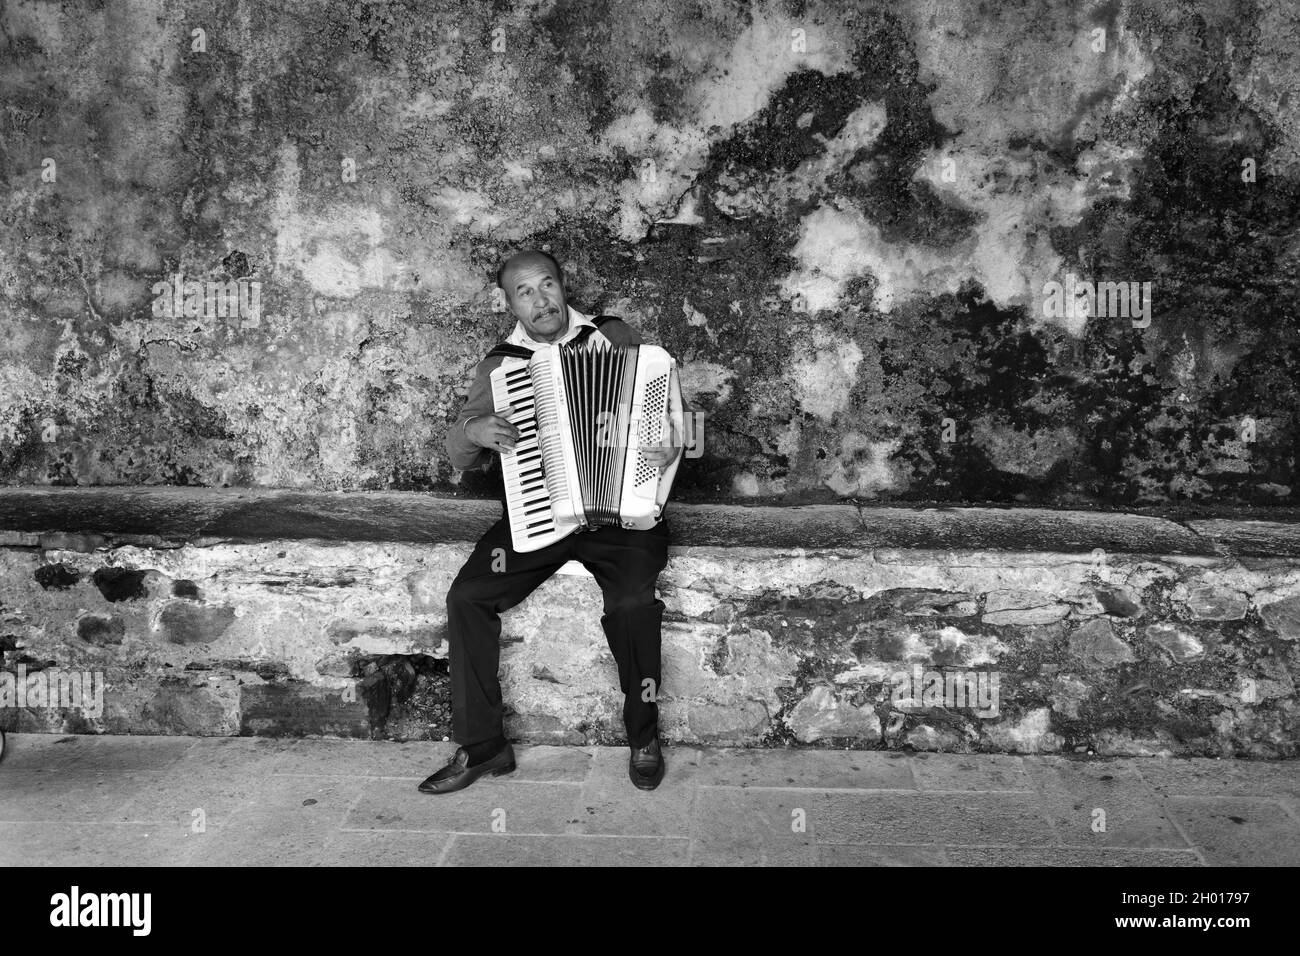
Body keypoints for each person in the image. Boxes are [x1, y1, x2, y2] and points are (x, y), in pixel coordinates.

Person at [418, 250, 682, 795]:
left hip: (623, 515)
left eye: (547, 286)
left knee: (633, 604)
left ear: (564, 286)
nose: (541, 301)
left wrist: (671, 444)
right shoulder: (502, 366)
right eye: (525, 292)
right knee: (468, 596)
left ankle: (644, 736)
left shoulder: (615, 337)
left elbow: (679, 422)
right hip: (541, 517)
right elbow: (460, 452)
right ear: (510, 301)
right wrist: (474, 432)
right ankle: (485, 749)